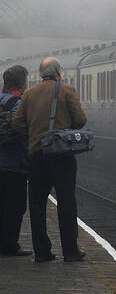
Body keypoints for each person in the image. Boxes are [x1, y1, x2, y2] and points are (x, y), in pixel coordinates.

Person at [12, 57, 88, 263]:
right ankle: (71, 251)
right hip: (62, 156)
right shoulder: (66, 90)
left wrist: (35, 136)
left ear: (39, 73)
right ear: (59, 72)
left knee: (36, 204)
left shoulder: (29, 94)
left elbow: (17, 124)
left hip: (37, 155)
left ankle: (42, 252)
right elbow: (81, 120)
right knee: (67, 203)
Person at [0, 64, 30, 255]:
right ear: (22, 83)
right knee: (16, 205)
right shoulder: (18, 104)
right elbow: (24, 132)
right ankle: (10, 244)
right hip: (14, 162)